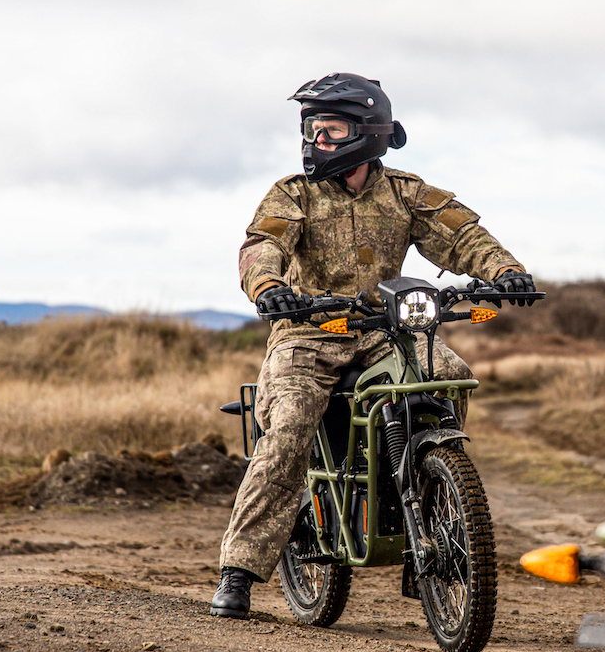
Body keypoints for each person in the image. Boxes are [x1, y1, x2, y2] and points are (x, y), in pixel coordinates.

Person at [211, 72, 534, 619]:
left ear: (368, 132)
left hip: (386, 331)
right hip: (307, 335)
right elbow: (262, 244)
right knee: (288, 426)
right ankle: (238, 570)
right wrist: (268, 287)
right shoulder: (294, 193)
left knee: (446, 374)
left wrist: (505, 271)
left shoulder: (407, 193)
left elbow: (461, 236)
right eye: (312, 130)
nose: (317, 142)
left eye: (330, 131)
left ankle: (429, 510)